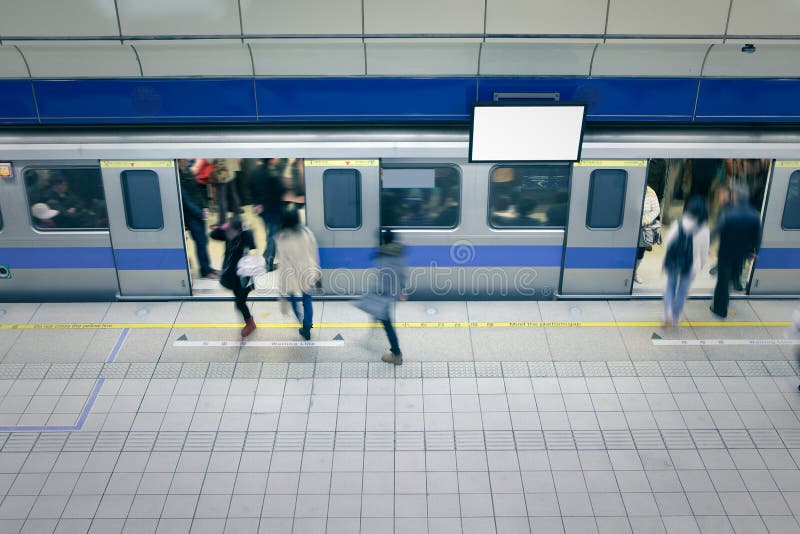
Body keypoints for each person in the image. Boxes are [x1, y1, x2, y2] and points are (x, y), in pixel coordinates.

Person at [357, 229, 408, 365]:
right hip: (391, 293)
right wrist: (403, 290)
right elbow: (402, 274)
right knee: (381, 316)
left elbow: (382, 277)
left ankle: (396, 354)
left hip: (383, 294)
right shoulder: (399, 253)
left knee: (387, 323)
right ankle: (376, 321)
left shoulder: (383, 255)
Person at [710, 185, 761, 318]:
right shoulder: (755, 215)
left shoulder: (728, 214)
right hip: (742, 254)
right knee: (733, 274)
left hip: (726, 253)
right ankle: (735, 282)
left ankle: (720, 309)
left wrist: (706, 246)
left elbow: (715, 232)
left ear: (736, 197)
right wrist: (754, 252)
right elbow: (757, 236)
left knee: (723, 282)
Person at [662, 196, 710, 328]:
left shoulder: (679, 224)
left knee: (670, 286)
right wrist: (700, 266)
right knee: (682, 292)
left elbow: (668, 243)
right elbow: (704, 253)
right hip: (691, 266)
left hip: (675, 263)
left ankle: (667, 313)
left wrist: (666, 260)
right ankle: (676, 317)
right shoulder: (705, 229)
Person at [274, 208, 320, 340]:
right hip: (307, 270)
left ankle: (301, 321)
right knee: (307, 299)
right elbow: (314, 253)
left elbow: (282, 261)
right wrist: (317, 272)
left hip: (291, 274)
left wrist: (282, 282)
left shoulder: (281, 237)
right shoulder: (306, 232)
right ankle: (307, 327)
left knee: (293, 299)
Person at [211, 217, 257, 337]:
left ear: (239, 230)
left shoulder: (245, 238)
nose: (230, 234)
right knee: (239, 303)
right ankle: (250, 321)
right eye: (229, 230)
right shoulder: (227, 235)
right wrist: (223, 226)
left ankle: (250, 324)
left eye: (233, 231)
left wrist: (246, 228)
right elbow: (213, 234)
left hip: (243, 277)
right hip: (233, 276)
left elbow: (253, 244)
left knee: (240, 303)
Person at [179, 160, 219, 280]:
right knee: (200, 242)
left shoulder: (188, 172)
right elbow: (186, 201)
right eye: (185, 159)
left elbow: (197, 191)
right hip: (191, 216)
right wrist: (199, 212)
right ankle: (205, 271)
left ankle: (208, 268)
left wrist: (204, 207)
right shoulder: (178, 176)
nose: (188, 160)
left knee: (204, 241)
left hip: (199, 213)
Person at [250, 159, 286, 271]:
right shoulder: (272, 173)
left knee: (271, 233)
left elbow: (249, 186)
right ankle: (267, 261)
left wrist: (256, 202)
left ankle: (273, 259)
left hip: (262, 209)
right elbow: (281, 190)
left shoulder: (254, 172)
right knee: (273, 235)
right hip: (274, 209)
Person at [634, 185, 661, 284]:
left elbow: (656, 210)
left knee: (640, 252)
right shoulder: (630, 188)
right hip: (628, 226)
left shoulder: (650, 192)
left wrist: (646, 219)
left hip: (643, 228)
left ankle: (634, 273)